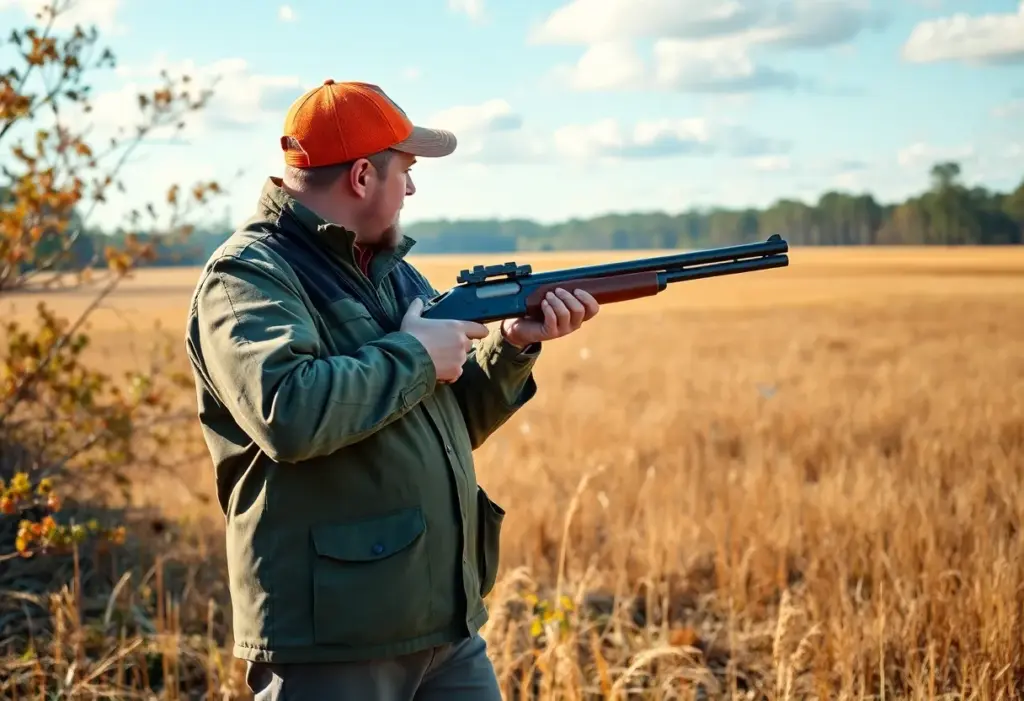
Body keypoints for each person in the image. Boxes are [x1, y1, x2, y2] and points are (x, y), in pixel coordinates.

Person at [183, 79, 600, 700]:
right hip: (336, 641)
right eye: (404, 169)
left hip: (443, 624)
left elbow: (445, 417)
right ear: (360, 177)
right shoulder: (246, 277)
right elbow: (287, 414)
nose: (411, 187)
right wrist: (414, 356)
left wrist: (510, 347)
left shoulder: (392, 273)